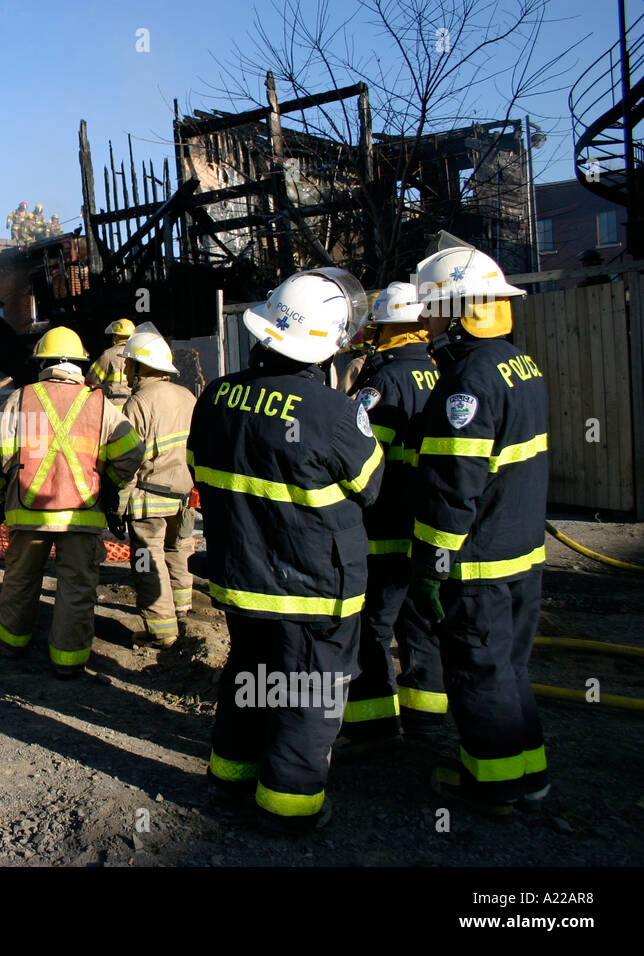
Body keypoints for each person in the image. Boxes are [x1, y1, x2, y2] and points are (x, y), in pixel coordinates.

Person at [187, 267, 384, 835]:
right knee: (309, 690)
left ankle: (230, 781)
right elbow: (371, 488)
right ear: (328, 344)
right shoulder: (335, 415)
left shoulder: (217, 398)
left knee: (250, 673)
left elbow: (203, 473)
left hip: (241, 579)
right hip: (314, 588)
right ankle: (288, 809)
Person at [408, 235, 550, 815]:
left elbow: (451, 490)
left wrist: (432, 567)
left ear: (462, 308)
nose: (427, 319)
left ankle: (492, 787)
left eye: (435, 307)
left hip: (480, 563)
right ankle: (528, 775)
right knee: (510, 668)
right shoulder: (521, 364)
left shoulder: (466, 385)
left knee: (478, 671)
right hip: (522, 554)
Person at [0, 327, 143, 678]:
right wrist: (108, 486)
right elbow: (132, 453)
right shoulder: (99, 403)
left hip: (28, 513)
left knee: (20, 580)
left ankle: (11, 644)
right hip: (82, 518)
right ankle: (67, 663)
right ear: (79, 364)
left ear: (44, 362)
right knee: (76, 588)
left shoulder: (21, 399)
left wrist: (4, 495)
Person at [337, 281, 442, 755]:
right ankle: (428, 720)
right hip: (428, 528)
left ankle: (374, 725)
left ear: (386, 330)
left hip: (382, 529)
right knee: (420, 625)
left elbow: (361, 456)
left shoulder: (382, 383)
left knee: (372, 629)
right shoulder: (442, 373)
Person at [115, 329, 197, 647]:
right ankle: (181, 606)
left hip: (150, 497)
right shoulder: (187, 396)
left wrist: (118, 505)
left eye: (129, 364)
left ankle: (161, 630)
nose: (124, 370)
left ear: (141, 367)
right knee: (178, 549)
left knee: (149, 559)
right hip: (185, 495)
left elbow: (127, 463)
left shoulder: (138, 403)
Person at [85, 318, 135, 407]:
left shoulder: (108, 354)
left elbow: (92, 379)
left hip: (112, 406)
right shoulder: (137, 354)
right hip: (132, 404)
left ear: (116, 337)